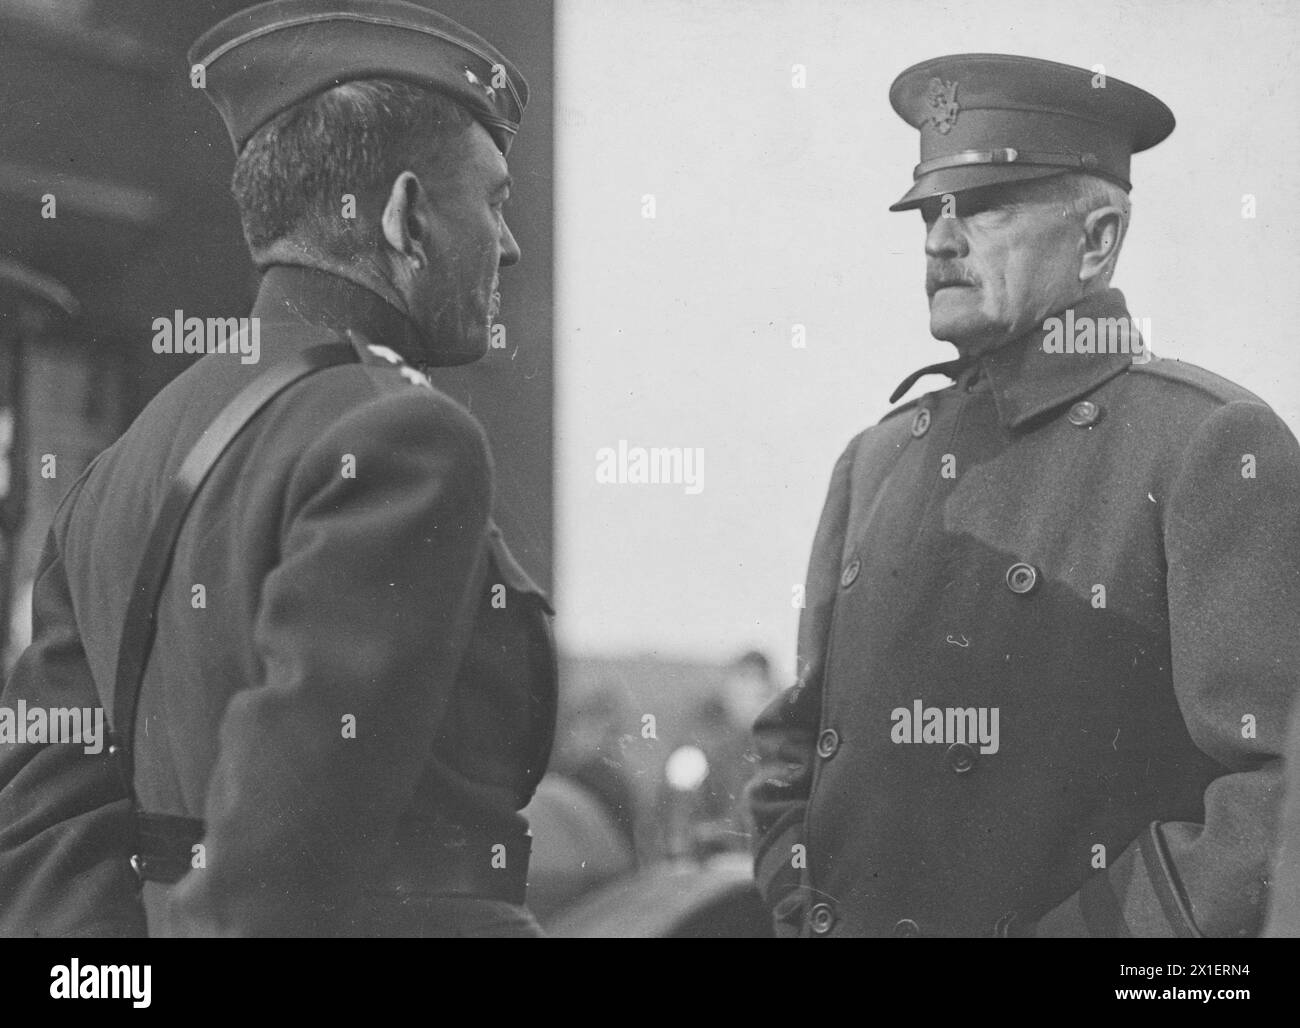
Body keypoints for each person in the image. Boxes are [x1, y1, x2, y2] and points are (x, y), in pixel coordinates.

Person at [0, 0, 556, 938]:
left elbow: (41, 838)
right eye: (495, 199)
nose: (508, 243)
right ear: (406, 216)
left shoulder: (116, 472)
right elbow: (283, 858)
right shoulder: (408, 438)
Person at [748, 53, 1300, 938]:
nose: (938, 239)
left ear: (1097, 239)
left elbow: (1279, 788)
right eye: (931, 211)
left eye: (985, 208)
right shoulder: (875, 460)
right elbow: (792, 750)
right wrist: (803, 907)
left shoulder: (1206, 442)